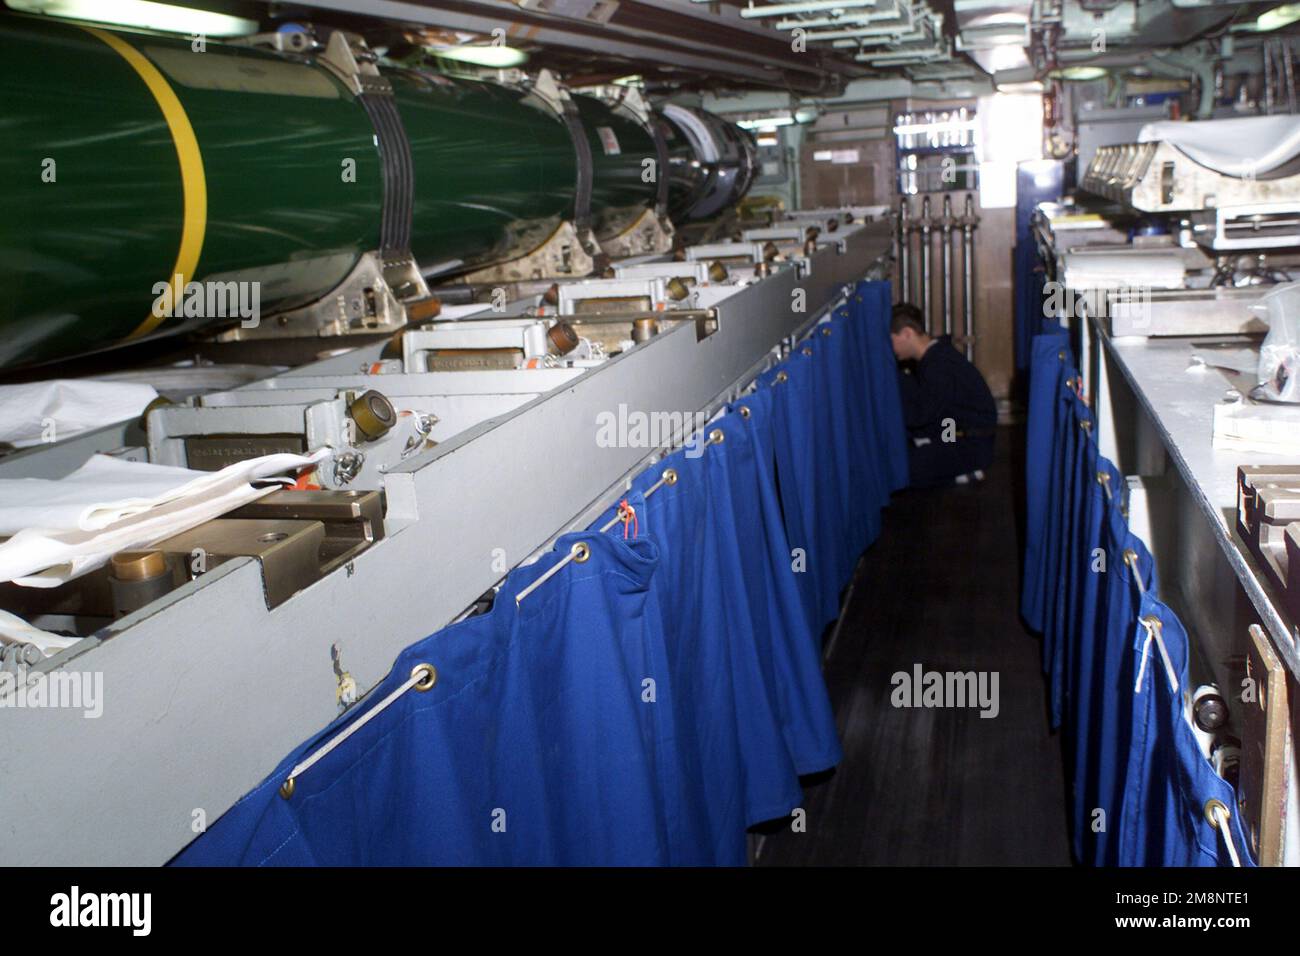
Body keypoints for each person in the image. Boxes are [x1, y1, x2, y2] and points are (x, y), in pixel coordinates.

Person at [890, 302, 997, 488]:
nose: (891, 348)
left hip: (969, 445)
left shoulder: (938, 366)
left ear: (907, 333)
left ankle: (961, 470)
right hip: (957, 433)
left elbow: (921, 415)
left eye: (892, 340)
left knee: (898, 469)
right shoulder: (937, 356)